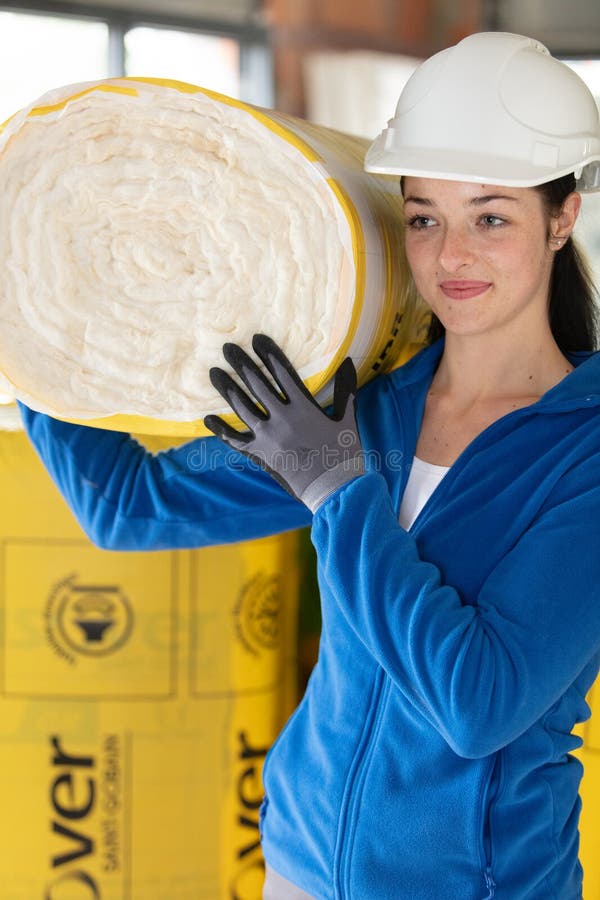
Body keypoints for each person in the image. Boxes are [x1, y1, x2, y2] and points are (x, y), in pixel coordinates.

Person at [19, 31, 600, 900]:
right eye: (424, 218)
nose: (451, 258)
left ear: (562, 219)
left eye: (491, 216)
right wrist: (32, 308)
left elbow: (479, 702)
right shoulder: (365, 412)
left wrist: (338, 490)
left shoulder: (581, 454)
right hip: (297, 864)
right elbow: (128, 506)